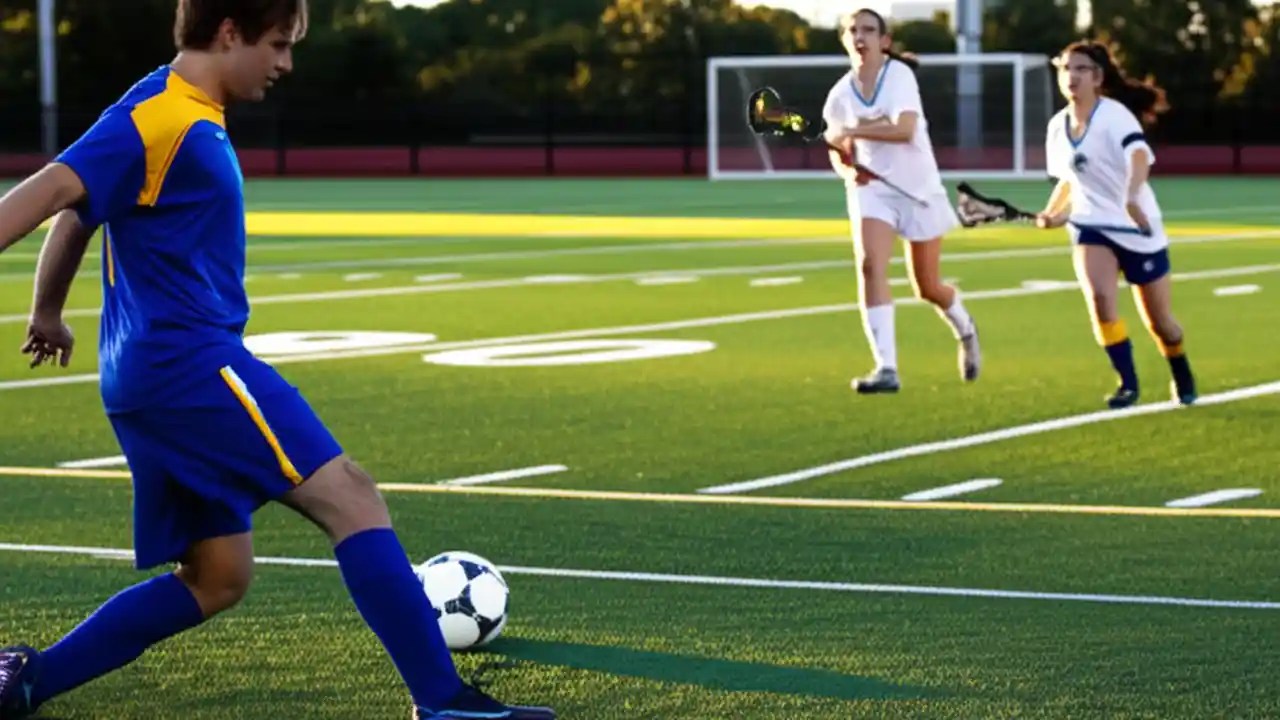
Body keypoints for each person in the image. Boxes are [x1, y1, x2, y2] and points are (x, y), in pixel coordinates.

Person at [0, 2, 554, 718]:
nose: (286, 63)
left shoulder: (171, 108)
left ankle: (29, 681)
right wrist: (46, 307)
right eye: (278, 44)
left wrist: (46, 312)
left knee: (217, 577)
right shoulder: (160, 114)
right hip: (188, 367)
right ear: (228, 31)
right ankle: (445, 703)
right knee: (351, 495)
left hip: (150, 376)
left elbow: (80, 210)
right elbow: (50, 190)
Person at [822, 7, 981, 395]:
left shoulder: (899, 77)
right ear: (845, 40)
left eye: (869, 30)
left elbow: (904, 129)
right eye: (853, 31)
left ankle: (966, 328)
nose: (861, 37)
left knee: (927, 287)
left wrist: (855, 131)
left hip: (918, 190)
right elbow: (833, 144)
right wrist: (847, 170)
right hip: (872, 190)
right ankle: (886, 368)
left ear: (885, 41)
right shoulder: (840, 95)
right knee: (869, 266)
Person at [1036, 40, 1196, 408]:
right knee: (1101, 300)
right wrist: (1052, 212)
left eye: (1080, 69)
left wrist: (1130, 195)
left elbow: (1138, 156)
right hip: (1091, 225)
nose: (1071, 76)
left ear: (1097, 78)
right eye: (1066, 69)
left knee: (1161, 324)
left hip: (1138, 227)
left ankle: (1180, 368)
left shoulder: (1115, 115)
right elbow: (1068, 179)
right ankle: (1128, 384)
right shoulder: (1057, 127)